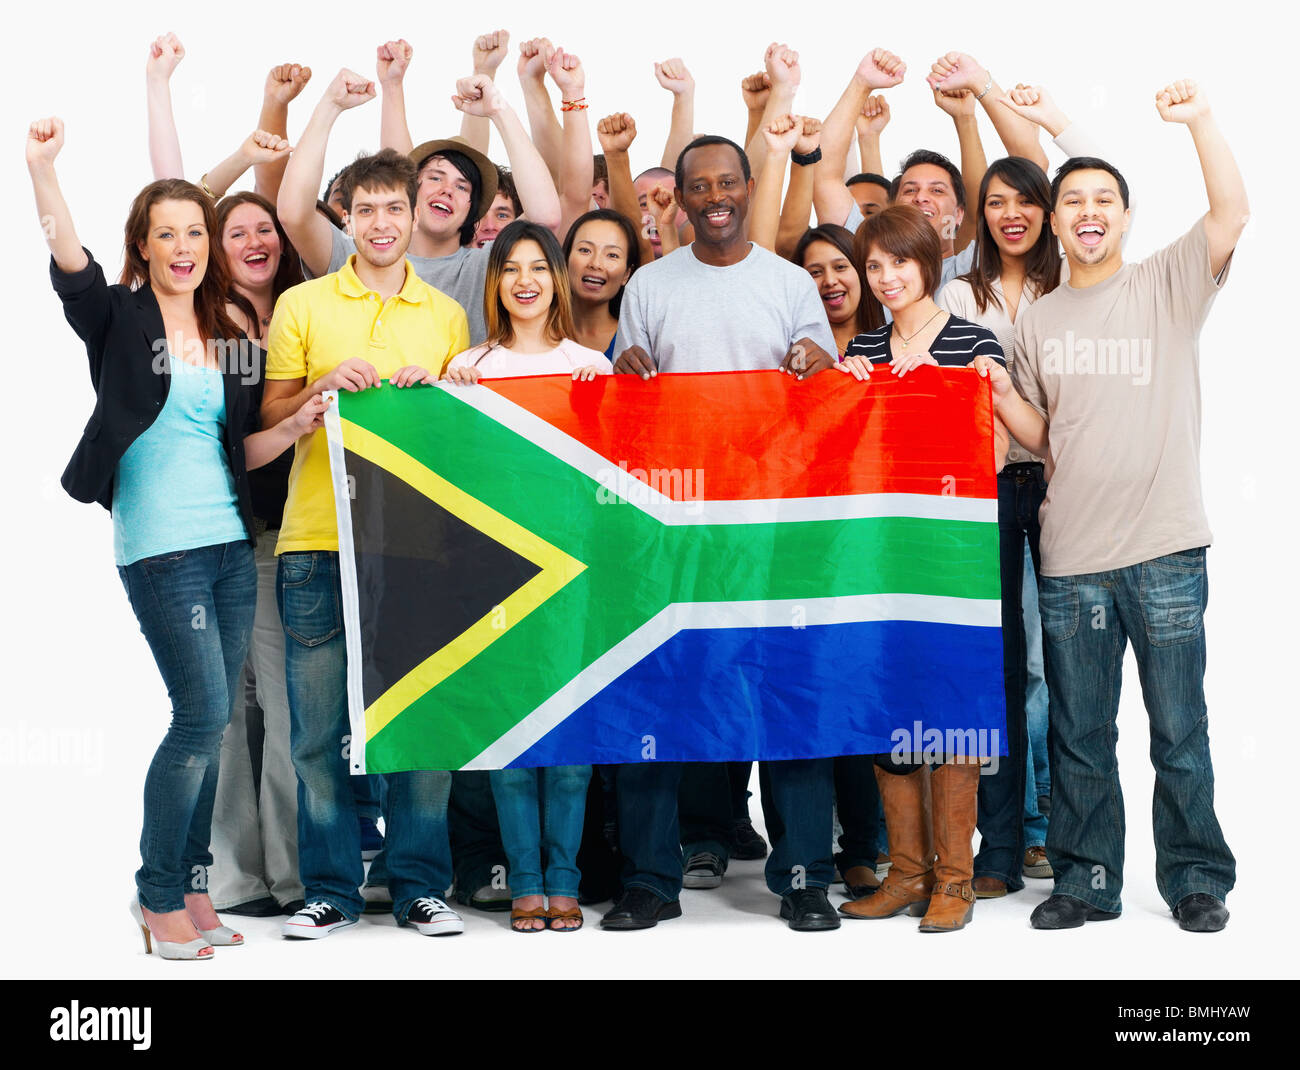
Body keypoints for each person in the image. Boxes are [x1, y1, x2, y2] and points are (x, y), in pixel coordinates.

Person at [29, 117, 327, 958]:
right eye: (168, 234)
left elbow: (243, 448)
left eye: (196, 232)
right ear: (146, 246)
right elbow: (70, 267)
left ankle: (193, 887)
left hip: (232, 546)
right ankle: (156, 896)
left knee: (216, 725)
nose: (186, 245)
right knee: (197, 719)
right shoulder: (119, 319)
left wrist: (300, 420)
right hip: (162, 549)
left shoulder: (230, 332)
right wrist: (42, 171)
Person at [972, 79, 1246, 933]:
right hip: (1073, 562)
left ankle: (1197, 876)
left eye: (1104, 201)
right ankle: (1087, 879)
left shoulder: (1167, 284)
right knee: (1082, 737)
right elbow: (1046, 437)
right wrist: (988, 387)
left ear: (1123, 219)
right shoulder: (1038, 322)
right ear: (1055, 224)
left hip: (1165, 551)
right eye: (1074, 202)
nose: (1088, 212)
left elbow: (1232, 213)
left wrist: (1199, 119)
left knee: (1180, 732)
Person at [605, 133, 840, 933]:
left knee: (786, 697)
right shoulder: (648, 283)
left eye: (728, 182)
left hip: (773, 526)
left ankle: (803, 873)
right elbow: (624, 410)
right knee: (658, 691)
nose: (715, 196)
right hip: (676, 525)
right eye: (698, 185)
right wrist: (627, 373)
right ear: (678, 197)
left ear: (748, 187)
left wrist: (818, 359)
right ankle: (649, 877)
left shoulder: (787, 284)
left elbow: (827, 400)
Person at [260, 147, 471, 939]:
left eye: (395, 209)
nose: (381, 224)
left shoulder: (446, 318)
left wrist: (440, 400)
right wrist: (322, 386)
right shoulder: (304, 306)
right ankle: (332, 890)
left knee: (420, 718)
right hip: (316, 537)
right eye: (366, 210)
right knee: (316, 732)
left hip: (416, 546)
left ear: (416, 216)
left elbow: (465, 446)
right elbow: (269, 416)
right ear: (344, 217)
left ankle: (419, 883)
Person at [835, 204, 1006, 932]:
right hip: (879, 556)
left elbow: (996, 452)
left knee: (953, 707)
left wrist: (945, 380)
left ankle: (955, 881)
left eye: (898, 262)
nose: (886, 277)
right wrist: (844, 388)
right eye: (874, 266)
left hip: (952, 554)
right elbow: (837, 454)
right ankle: (906, 873)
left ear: (929, 263)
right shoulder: (865, 345)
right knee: (888, 704)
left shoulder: (973, 340)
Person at [443, 220, 610, 932]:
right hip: (495, 573)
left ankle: (565, 880)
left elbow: (612, 481)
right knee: (512, 735)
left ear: (557, 279)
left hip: (574, 571)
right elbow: (447, 469)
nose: (525, 281)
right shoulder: (469, 366)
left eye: (538, 267)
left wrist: (591, 401)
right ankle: (527, 882)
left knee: (570, 737)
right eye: (510, 269)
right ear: (495, 282)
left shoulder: (588, 367)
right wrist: (442, 391)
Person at [938, 156, 1061, 901]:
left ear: (1046, 210)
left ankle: (1049, 830)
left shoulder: (1067, 288)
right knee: (997, 668)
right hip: (980, 491)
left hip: (1057, 487)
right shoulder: (958, 291)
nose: (1009, 213)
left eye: (1025, 200)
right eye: (994, 202)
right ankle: (1001, 845)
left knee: (1052, 669)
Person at [278, 61, 559, 346]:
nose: (447, 190)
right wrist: (329, 107)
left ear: (472, 209)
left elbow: (545, 217)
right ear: (411, 196)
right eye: (435, 178)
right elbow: (294, 214)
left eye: (462, 186)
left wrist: (499, 110)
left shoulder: (485, 267)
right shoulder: (357, 254)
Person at [206, 191, 308, 917]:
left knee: (285, 705)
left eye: (264, 228)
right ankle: (233, 877)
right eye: (235, 231)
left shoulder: (309, 309)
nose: (253, 240)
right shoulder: (200, 322)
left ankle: (295, 877)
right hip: (213, 534)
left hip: (285, 531)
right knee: (223, 711)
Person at [563, 208, 640, 361]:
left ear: (626, 274)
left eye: (612, 255)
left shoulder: (635, 340)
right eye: (585, 250)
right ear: (565, 259)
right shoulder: (537, 332)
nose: (596, 264)